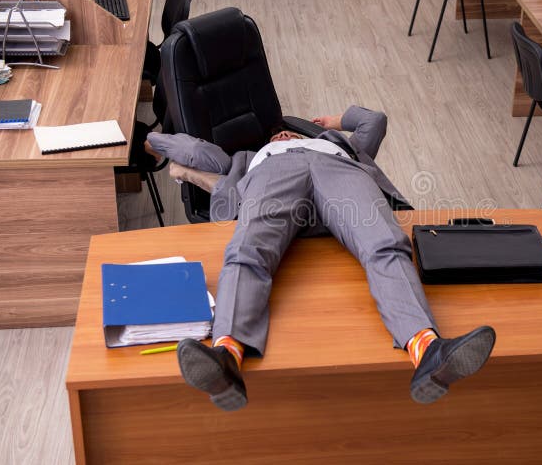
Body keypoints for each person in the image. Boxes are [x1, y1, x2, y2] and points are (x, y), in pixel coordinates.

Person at [145, 105, 495, 412]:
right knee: (247, 251)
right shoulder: (252, 158)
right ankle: (226, 356)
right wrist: (151, 140)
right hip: (274, 176)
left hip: (339, 173)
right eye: (278, 134)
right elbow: (195, 150)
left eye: (289, 131)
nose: (283, 133)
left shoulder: (342, 145)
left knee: (386, 243)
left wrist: (333, 121)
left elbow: (375, 120)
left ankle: (427, 351)